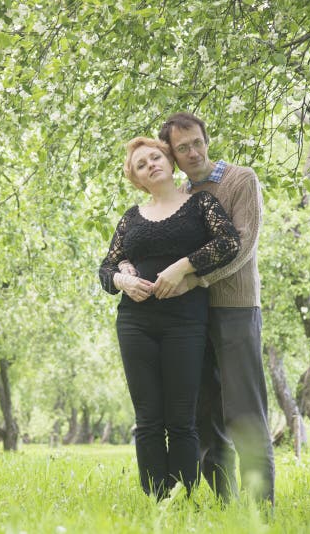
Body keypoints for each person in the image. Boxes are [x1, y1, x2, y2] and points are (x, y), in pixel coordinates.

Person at [121, 113, 276, 504]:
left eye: (196, 142)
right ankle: (226, 501)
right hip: (189, 316)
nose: (192, 152)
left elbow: (242, 246)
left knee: (244, 411)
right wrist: (127, 271)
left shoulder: (241, 179)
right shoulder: (182, 194)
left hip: (235, 307)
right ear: (171, 154)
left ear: (207, 139)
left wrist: (194, 279)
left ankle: (261, 507)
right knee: (204, 415)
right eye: (181, 147)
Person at [99, 136, 240, 499]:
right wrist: (123, 280)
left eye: (156, 157)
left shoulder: (200, 204)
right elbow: (106, 268)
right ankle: (156, 502)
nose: (151, 165)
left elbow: (228, 243)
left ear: (170, 161)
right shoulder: (131, 218)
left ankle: (182, 500)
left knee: (182, 419)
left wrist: (183, 267)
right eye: (142, 165)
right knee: (148, 420)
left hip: (186, 320)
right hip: (135, 322)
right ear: (137, 179)